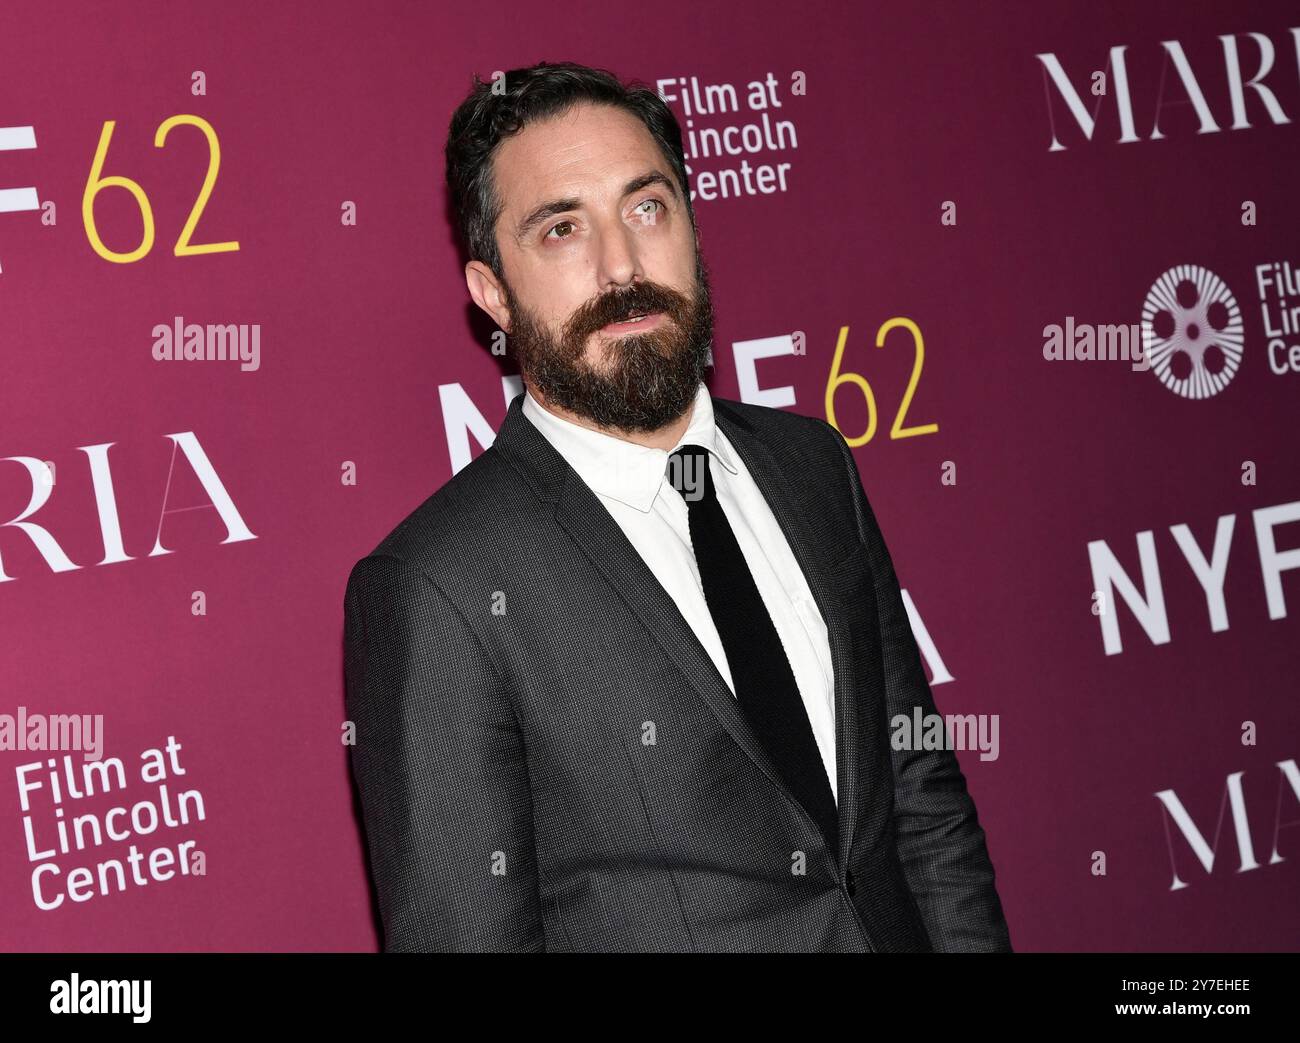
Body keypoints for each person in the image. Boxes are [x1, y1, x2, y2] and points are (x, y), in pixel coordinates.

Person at [342, 60, 1012, 953]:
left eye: (646, 208)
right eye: (561, 229)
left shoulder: (812, 465)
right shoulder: (440, 586)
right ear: (493, 291)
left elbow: (922, 797)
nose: (621, 265)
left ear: (693, 229)